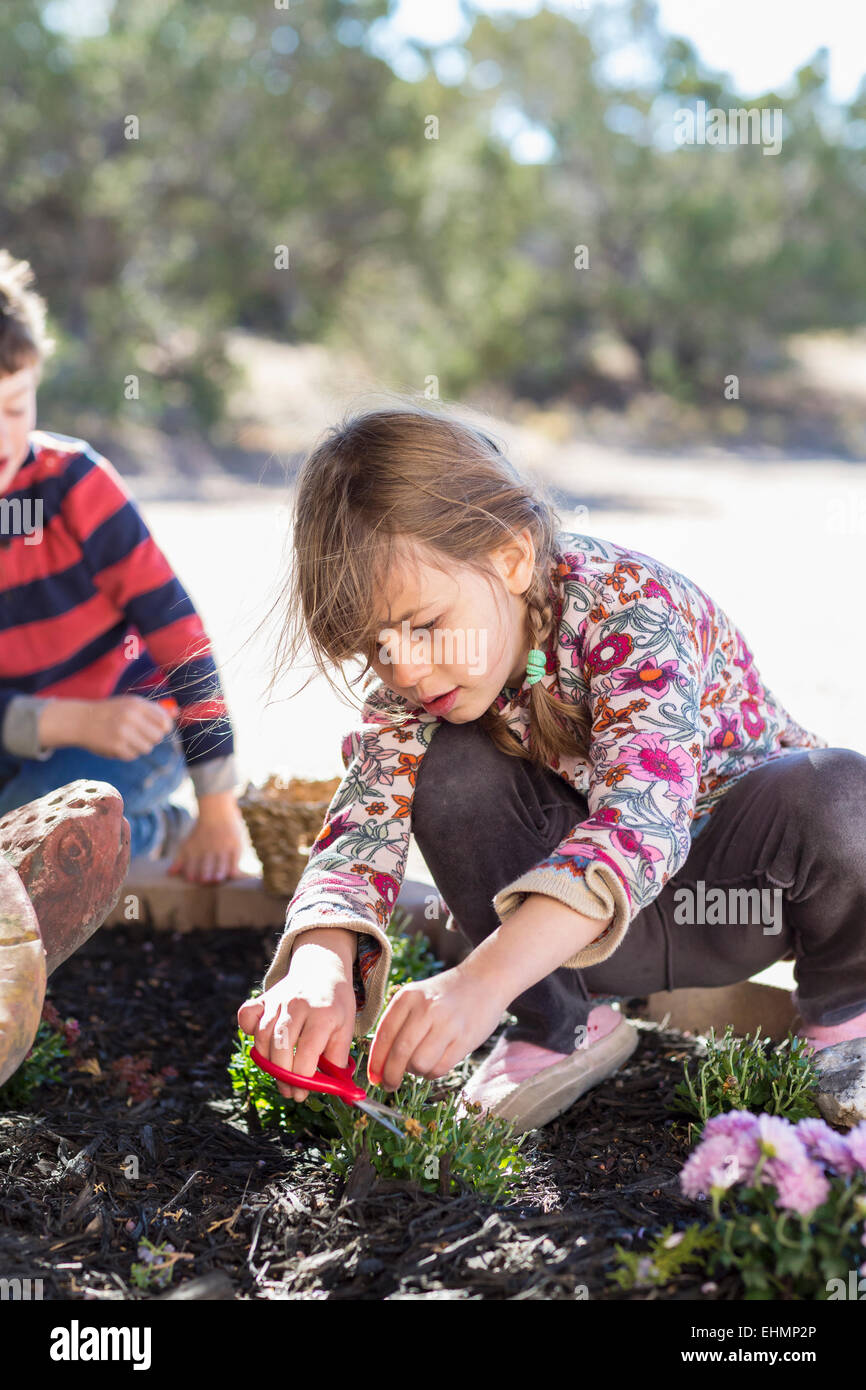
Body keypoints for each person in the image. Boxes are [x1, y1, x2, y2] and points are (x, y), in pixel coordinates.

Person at [238, 403, 866, 1133]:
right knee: (442, 763)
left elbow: (643, 826)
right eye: (375, 647)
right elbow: (359, 831)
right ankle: (557, 1026)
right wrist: (319, 963)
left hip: (733, 905)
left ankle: (846, 1018)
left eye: (425, 625)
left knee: (839, 791)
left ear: (510, 557)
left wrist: (477, 985)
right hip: (564, 945)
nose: (404, 669)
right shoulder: (421, 690)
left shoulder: (635, 610)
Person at [0, 249, 245, 882]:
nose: (4, 440)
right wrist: (53, 719)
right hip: (21, 734)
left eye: (15, 407)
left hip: (129, 726)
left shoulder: (72, 487)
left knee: (29, 846)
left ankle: (158, 829)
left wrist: (217, 801)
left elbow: (178, 634)